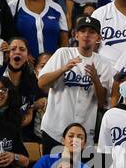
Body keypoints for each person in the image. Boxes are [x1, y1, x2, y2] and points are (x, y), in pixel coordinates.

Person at [36, 17, 111, 151]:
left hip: (83, 133)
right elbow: (41, 83)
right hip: (54, 129)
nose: (86, 35)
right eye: (82, 31)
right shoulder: (63, 53)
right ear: (76, 35)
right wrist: (63, 69)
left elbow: (102, 101)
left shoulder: (103, 63)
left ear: (98, 37)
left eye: (91, 32)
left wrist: (95, 79)